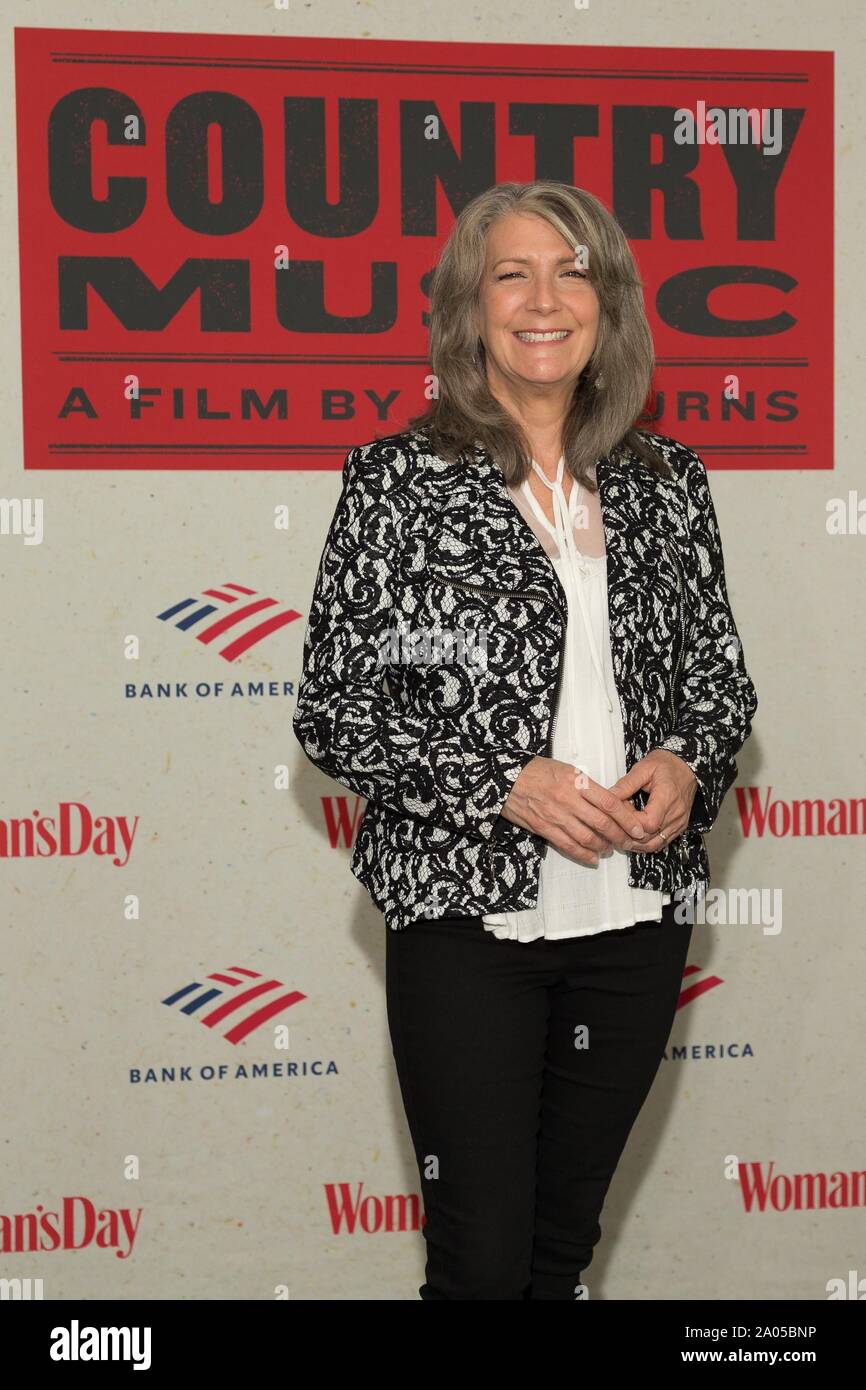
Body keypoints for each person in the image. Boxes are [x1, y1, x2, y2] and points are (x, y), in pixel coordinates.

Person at [293, 180, 758, 1299]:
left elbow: (719, 683)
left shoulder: (667, 481)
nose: (543, 298)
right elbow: (336, 708)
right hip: (466, 923)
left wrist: (686, 759)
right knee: (480, 1260)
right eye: (512, 272)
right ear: (468, 307)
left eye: (572, 271)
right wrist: (500, 778)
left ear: (607, 306)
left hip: (632, 920)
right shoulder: (395, 482)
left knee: (559, 1253)